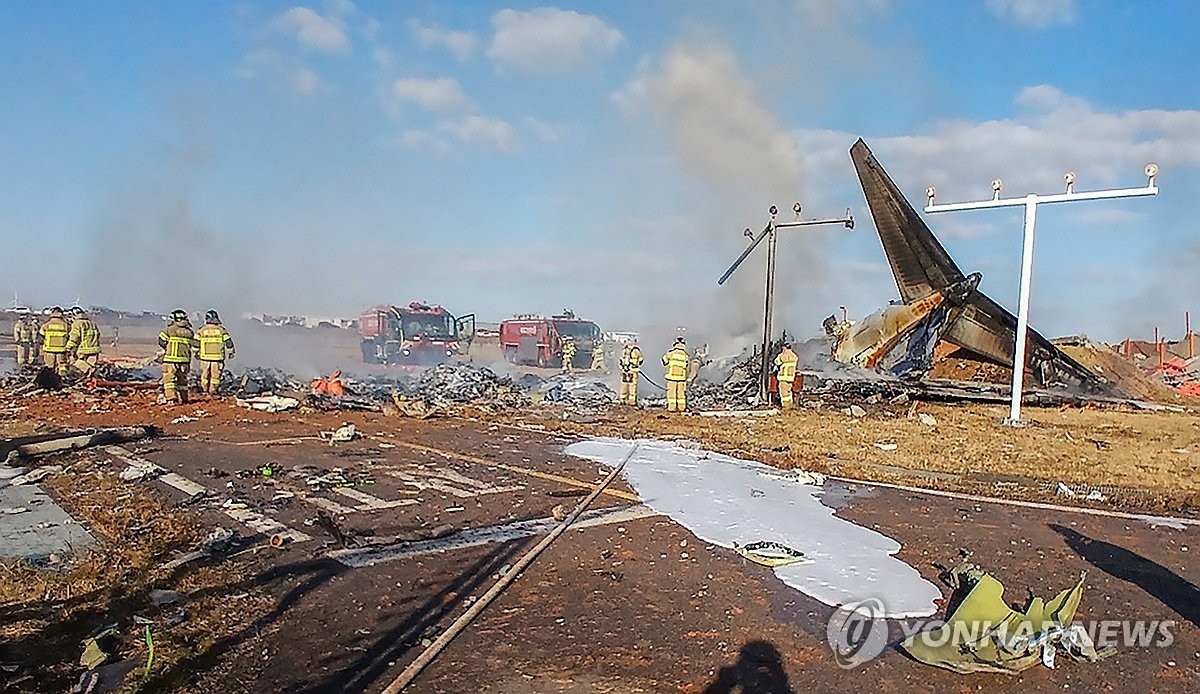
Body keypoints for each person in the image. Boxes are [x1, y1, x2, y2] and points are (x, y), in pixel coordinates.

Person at [159, 309, 197, 404]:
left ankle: (171, 398)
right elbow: (195, 345)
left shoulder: (170, 330)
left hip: (170, 360)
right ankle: (184, 398)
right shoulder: (190, 332)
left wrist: (167, 348)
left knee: (169, 380)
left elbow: (161, 341)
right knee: (182, 381)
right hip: (184, 361)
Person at [195, 309, 236, 395]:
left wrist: (195, 353)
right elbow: (228, 342)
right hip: (217, 358)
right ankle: (212, 391)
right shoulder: (221, 330)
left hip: (205, 358)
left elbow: (196, 343)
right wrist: (231, 352)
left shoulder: (201, 330)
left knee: (205, 375)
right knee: (215, 377)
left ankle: (205, 390)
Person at [66, 306, 102, 377]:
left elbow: (74, 337)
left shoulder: (77, 324)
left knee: (78, 365)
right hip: (95, 350)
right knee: (89, 370)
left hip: (83, 350)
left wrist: (68, 348)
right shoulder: (92, 324)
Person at [39, 307, 71, 377]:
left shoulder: (46, 325)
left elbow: (41, 335)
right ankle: (63, 379)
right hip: (62, 350)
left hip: (49, 350)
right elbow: (70, 336)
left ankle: (50, 381)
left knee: (49, 367)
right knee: (62, 366)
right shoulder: (66, 325)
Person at [663, 336, 690, 412]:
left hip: (672, 378)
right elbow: (687, 366)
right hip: (681, 379)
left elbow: (664, 361)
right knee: (681, 394)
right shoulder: (686, 356)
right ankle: (681, 408)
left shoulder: (671, 354)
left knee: (672, 394)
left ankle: (672, 408)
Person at [774, 342, 799, 409]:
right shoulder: (794, 356)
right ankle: (790, 405)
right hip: (790, 377)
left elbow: (777, 362)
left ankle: (786, 406)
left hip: (783, 377)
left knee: (784, 393)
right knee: (789, 392)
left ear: (784, 348)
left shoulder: (783, 355)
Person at [618, 339, 644, 406]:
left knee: (624, 384)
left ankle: (622, 399)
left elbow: (620, 360)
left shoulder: (624, 350)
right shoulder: (636, 351)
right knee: (632, 385)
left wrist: (623, 368)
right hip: (633, 371)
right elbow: (641, 360)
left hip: (624, 371)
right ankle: (632, 401)